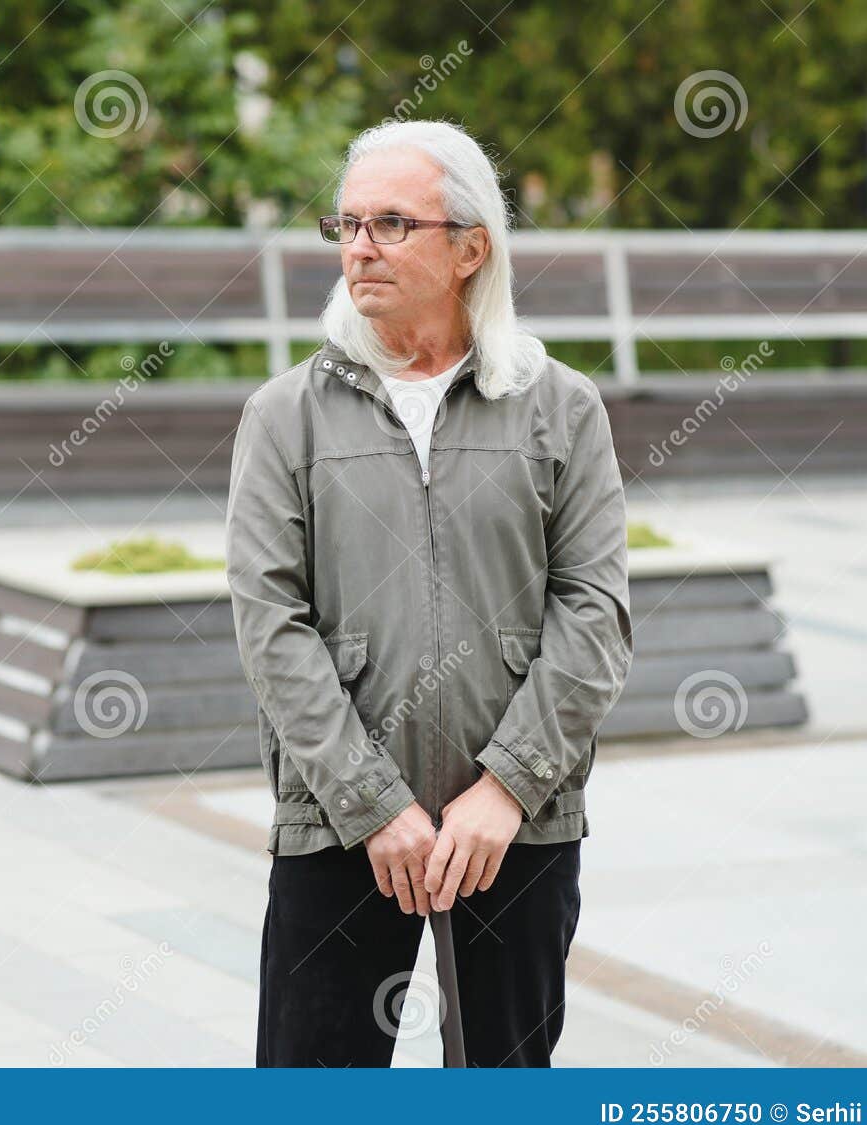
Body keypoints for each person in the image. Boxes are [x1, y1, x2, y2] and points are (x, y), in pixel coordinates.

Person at [225, 119, 634, 1067]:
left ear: (470, 248)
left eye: (392, 224)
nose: (359, 247)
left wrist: (509, 788)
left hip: (516, 826)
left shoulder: (561, 407)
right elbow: (270, 626)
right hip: (338, 823)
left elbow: (595, 614)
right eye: (347, 224)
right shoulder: (285, 416)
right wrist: (372, 803)